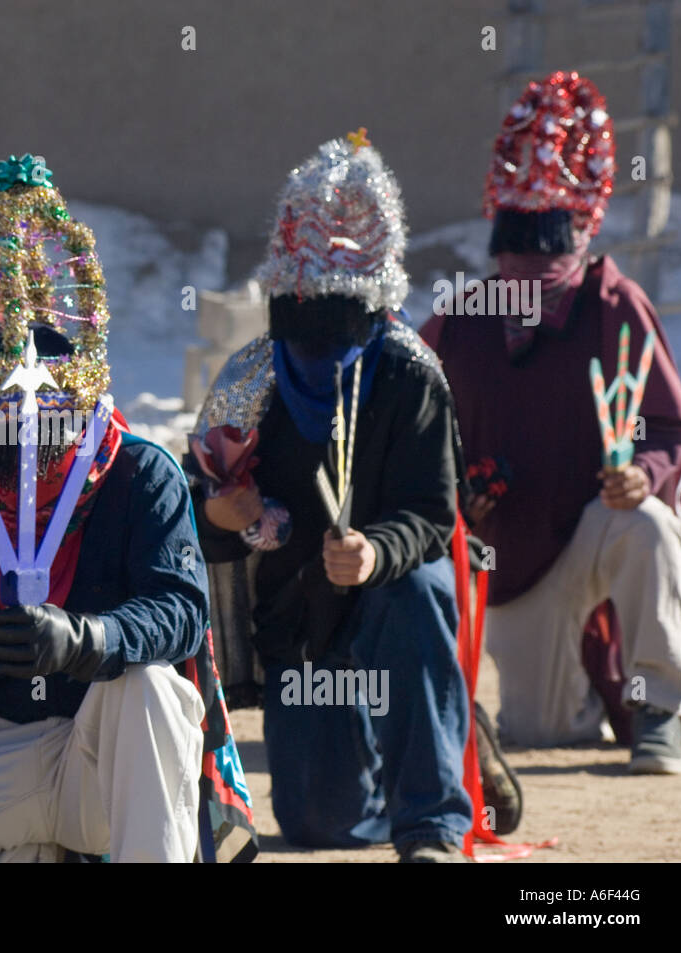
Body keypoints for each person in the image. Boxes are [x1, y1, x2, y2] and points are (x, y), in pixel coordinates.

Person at [0, 154, 208, 862]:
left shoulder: (141, 474)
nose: (15, 445)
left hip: (99, 755)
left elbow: (182, 609)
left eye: (39, 424)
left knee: (152, 688)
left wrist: (87, 640)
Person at [193, 134, 473, 862]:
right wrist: (218, 517)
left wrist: (377, 552)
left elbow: (433, 514)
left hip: (387, 599)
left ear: (370, 309)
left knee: (416, 591)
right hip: (300, 618)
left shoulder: (411, 375)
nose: (315, 349)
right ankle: (378, 780)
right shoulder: (250, 382)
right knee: (320, 821)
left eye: (333, 319)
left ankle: (431, 823)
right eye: (298, 317)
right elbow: (198, 498)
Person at [421, 72, 681, 772]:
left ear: (578, 231)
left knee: (652, 524)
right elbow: (412, 437)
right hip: (507, 560)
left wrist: (644, 474)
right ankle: (592, 696)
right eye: (518, 243)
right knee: (545, 735)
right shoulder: (455, 322)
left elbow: (670, 427)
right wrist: (453, 500)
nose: (530, 271)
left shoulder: (613, 303)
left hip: (593, 531)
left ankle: (657, 707)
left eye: (548, 244)